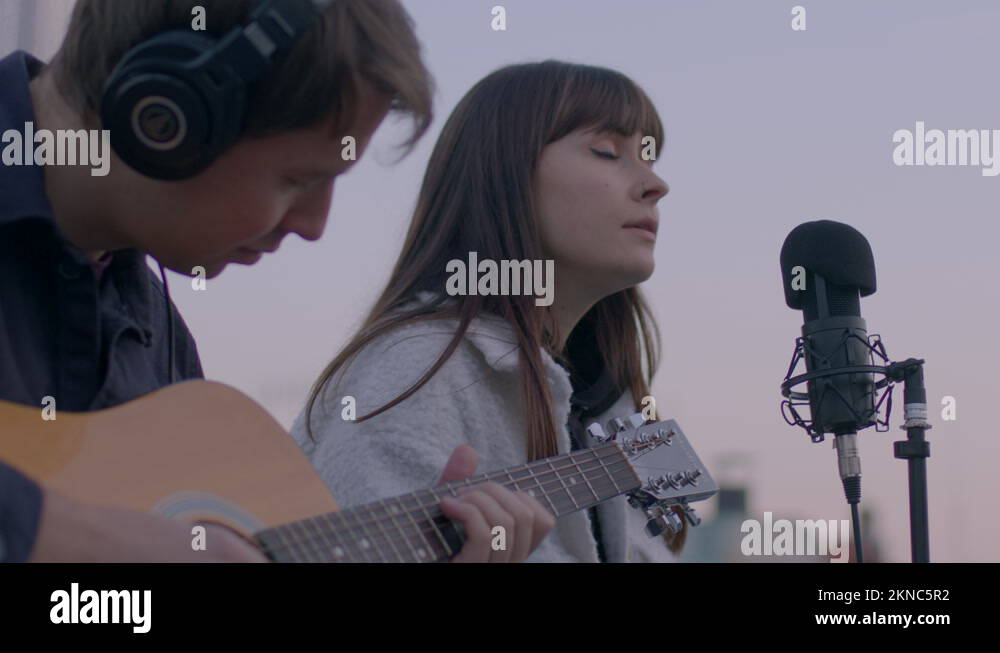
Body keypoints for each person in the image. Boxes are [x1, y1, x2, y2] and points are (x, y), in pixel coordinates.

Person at [0, 0, 552, 563]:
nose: (314, 227)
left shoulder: (160, 342)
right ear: (166, 117)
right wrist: (81, 541)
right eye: (298, 179)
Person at [292, 60, 686, 562]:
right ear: (506, 174)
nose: (655, 184)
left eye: (649, 157)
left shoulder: (615, 403)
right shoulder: (414, 369)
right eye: (608, 151)